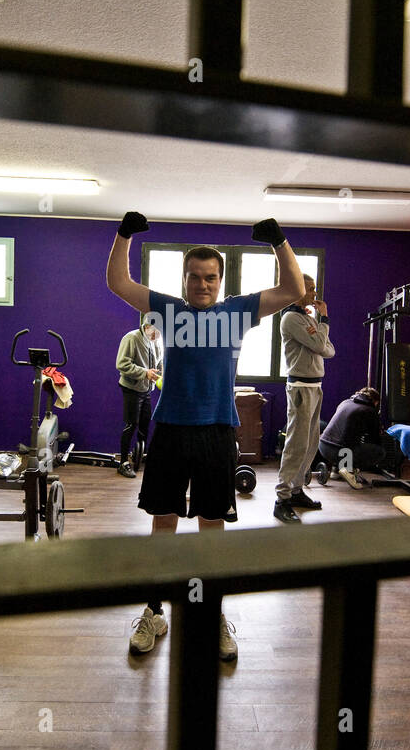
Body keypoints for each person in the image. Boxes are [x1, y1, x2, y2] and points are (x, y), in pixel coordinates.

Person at [106, 211, 305, 659]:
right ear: (184, 279)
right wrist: (124, 235)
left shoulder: (237, 311)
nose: (203, 284)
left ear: (220, 280)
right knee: (163, 524)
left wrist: (279, 242)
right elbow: (118, 281)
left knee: (211, 527)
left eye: (210, 277)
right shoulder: (167, 310)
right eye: (195, 277)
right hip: (172, 429)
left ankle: (211, 613)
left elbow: (294, 289)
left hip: (217, 430)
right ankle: (154, 611)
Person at [273, 274, 335, 522]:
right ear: (295, 292)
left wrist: (319, 331)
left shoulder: (307, 318)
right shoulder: (290, 318)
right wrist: (324, 319)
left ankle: (297, 491)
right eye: (309, 289)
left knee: (310, 443)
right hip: (300, 387)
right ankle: (282, 498)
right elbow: (322, 345)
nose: (314, 294)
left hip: (314, 386)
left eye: (314, 289)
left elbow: (329, 350)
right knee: (296, 444)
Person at [114, 314, 162, 478]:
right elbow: (122, 364)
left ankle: (141, 456)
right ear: (147, 327)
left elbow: (159, 362)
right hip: (131, 388)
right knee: (131, 424)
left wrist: (161, 373)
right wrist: (144, 373)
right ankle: (123, 463)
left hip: (146, 389)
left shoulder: (154, 339)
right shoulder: (131, 338)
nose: (158, 336)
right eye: (156, 331)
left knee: (144, 424)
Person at [319, 387, 384, 489]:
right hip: (341, 452)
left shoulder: (345, 402)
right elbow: (375, 437)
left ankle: (336, 470)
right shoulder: (370, 410)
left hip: (323, 446)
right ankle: (349, 470)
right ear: (375, 401)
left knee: (347, 440)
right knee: (379, 451)